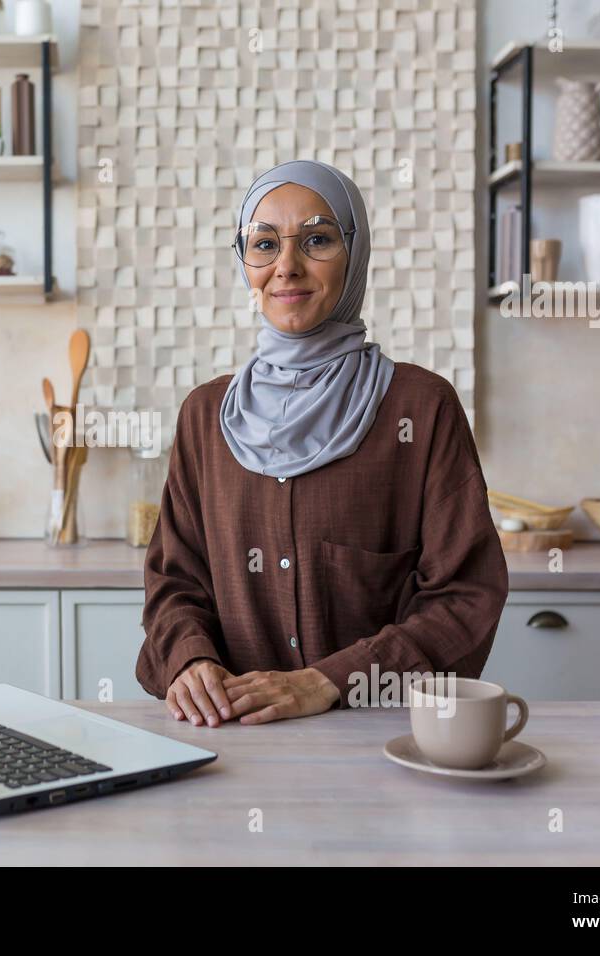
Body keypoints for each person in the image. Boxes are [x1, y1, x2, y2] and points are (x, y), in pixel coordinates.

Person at [136, 159, 508, 727]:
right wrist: (189, 660)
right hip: (228, 738)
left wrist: (330, 682)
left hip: (379, 740)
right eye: (263, 244)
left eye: (316, 239)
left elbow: (465, 595)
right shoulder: (205, 416)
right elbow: (175, 580)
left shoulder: (421, 408)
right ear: (244, 262)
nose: (286, 267)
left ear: (354, 254)